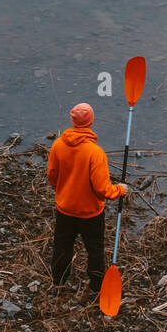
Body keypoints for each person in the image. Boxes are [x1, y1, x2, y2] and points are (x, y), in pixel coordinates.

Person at [47, 103, 126, 295]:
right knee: (95, 250)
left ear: (73, 120)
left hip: (65, 208)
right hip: (90, 213)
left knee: (62, 246)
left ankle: (58, 284)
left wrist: (64, 191)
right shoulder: (95, 152)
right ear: (90, 122)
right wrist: (120, 190)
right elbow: (102, 189)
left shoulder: (58, 145)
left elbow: (52, 175)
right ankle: (96, 287)